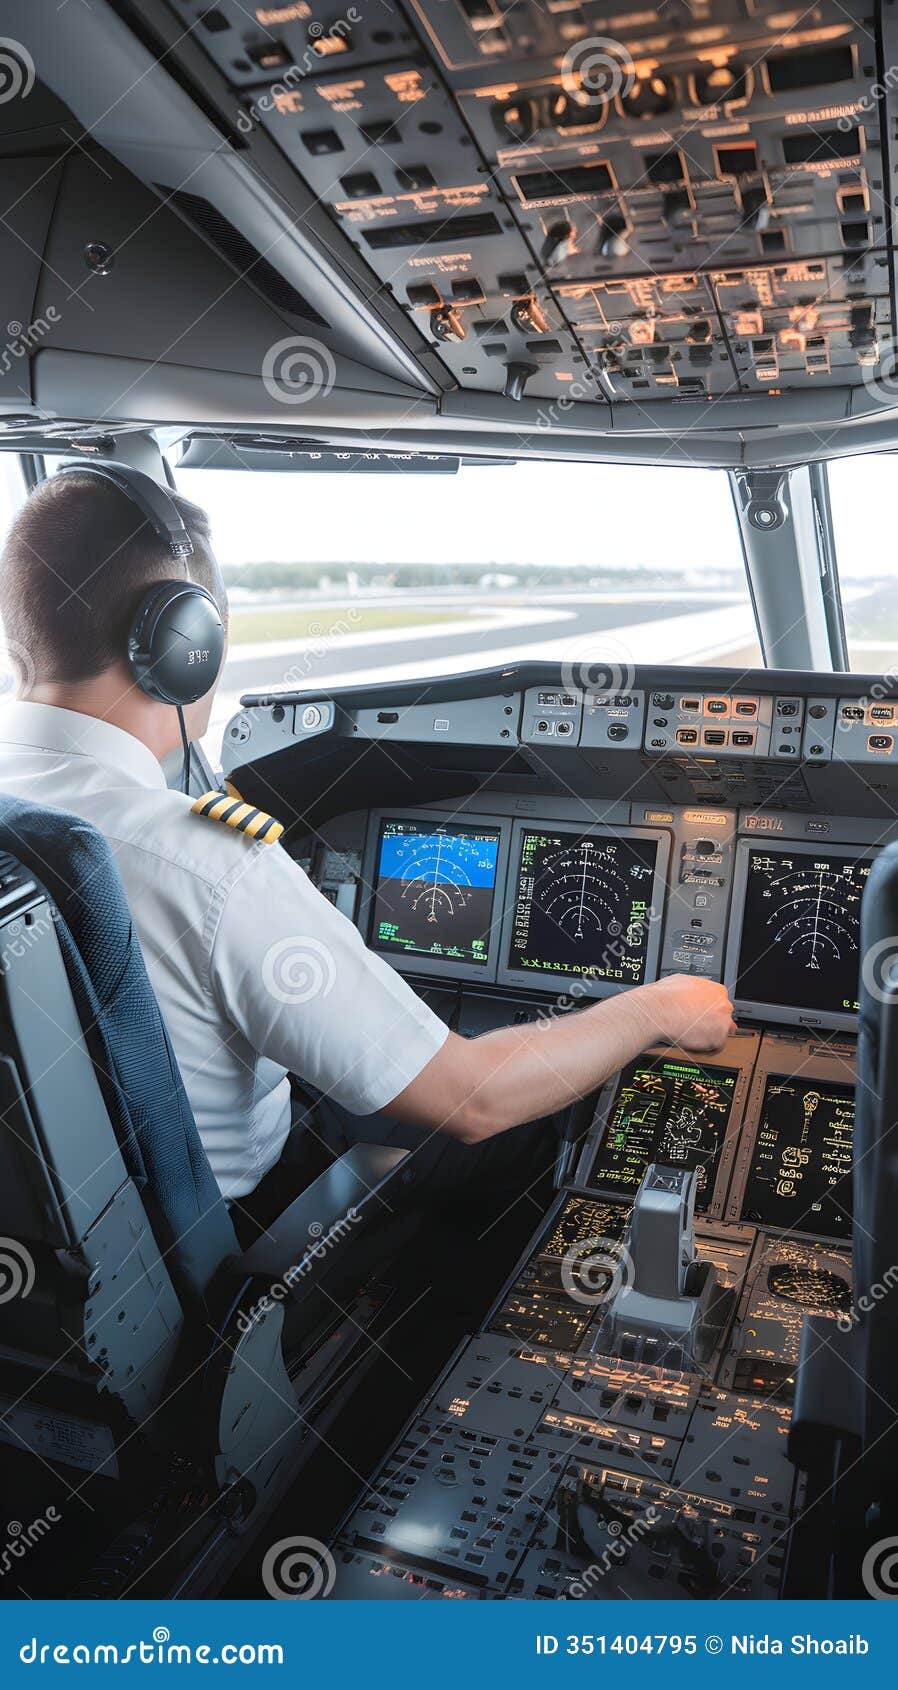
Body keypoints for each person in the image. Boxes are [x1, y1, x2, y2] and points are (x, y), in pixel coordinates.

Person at [0, 470, 736, 1237]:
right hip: (209, 1259)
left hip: (46, 1261)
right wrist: (661, 1006)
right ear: (186, 644)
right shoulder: (210, 867)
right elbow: (474, 1098)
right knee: (528, 1137)